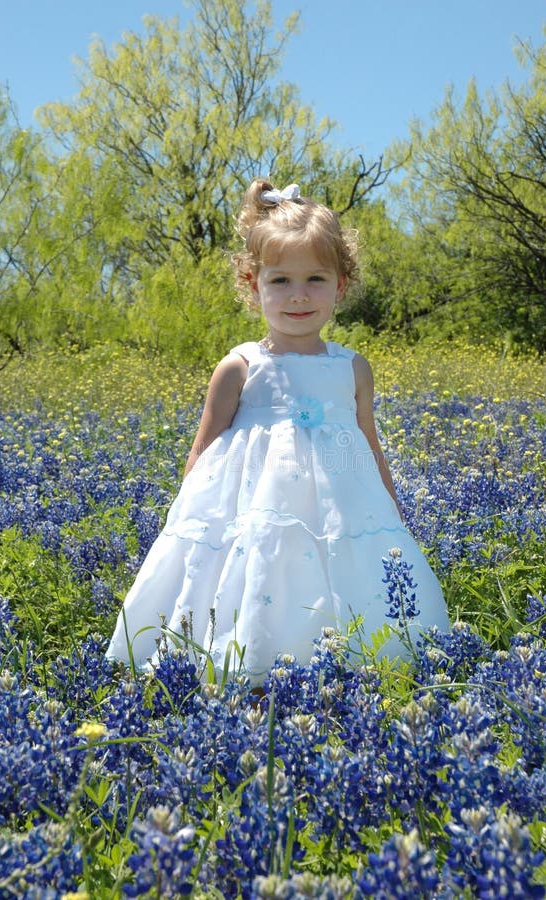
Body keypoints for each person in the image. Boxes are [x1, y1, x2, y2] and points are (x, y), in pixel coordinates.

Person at [106, 179, 449, 682]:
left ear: (342, 285)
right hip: (249, 507)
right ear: (253, 284)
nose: (299, 296)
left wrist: (390, 504)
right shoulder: (240, 365)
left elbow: (369, 445)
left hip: (343, 503)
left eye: (316, 279)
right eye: (280, 281)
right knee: (262, 575)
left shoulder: (353, 367)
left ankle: (352, 670)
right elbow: (203, 448)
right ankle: (252, 669)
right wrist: (190, 517)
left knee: (350, 581)